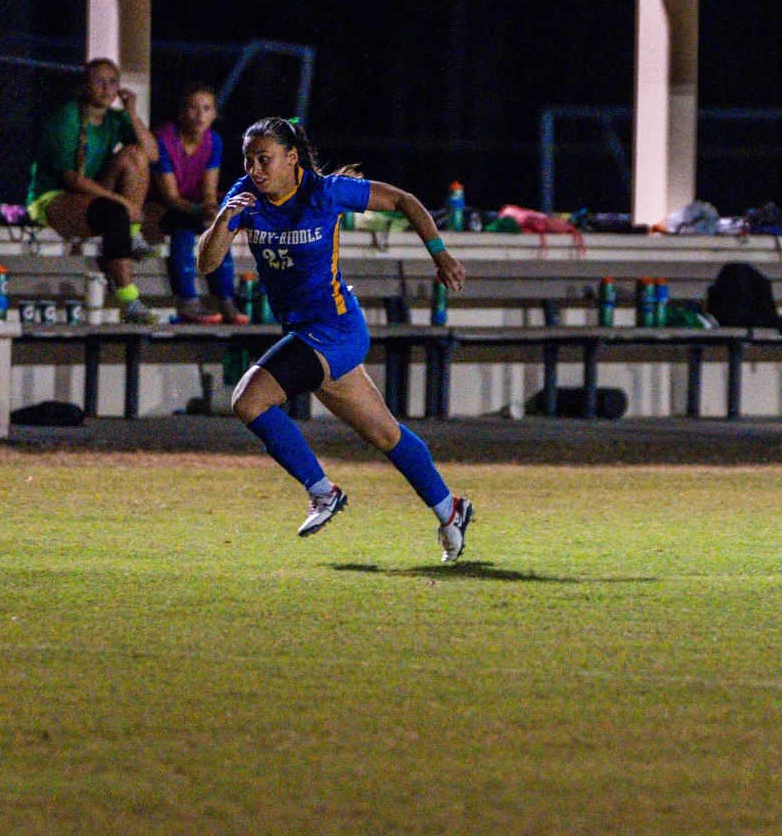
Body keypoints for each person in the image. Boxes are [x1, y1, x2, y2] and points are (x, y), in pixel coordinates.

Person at [199, 118, 474, 562]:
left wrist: (440, 256)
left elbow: (404, 201)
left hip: (336, 329)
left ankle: (323, 492)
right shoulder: (244, 198)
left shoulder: (325, 191)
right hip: (304, 334)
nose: (255, 169)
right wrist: (224, 220)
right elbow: (208, 265)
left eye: (264, 159)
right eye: (248, 160)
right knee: (384, 434)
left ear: (291, 159)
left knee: (248, 401)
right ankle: (450, 509)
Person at [27, 58, 160, 324]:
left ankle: (131, 235)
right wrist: (122, 203)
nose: (106, 88)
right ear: (85, 85)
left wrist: (132, 112)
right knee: (114, 214)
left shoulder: (114, 118)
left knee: (135, 156)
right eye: (99, 81)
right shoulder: (69, 117)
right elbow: (72, 179)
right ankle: (128, 298)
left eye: (112, 82)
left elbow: (153, 155)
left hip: (93, 193)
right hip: (55, 196)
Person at [151, 84, 245, 325]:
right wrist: (199, 210)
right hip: (162, 207)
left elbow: (208, 192)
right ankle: (188, 301)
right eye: (193, 108)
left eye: (206, 109)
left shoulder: (214, 141)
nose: (200, 115)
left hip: (193, 207)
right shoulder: (164, 139)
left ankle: (225, 299)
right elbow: (170, 197)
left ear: (214, 115)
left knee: (219, 229)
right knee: (182, 231)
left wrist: (212, 212)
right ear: (182, 112)